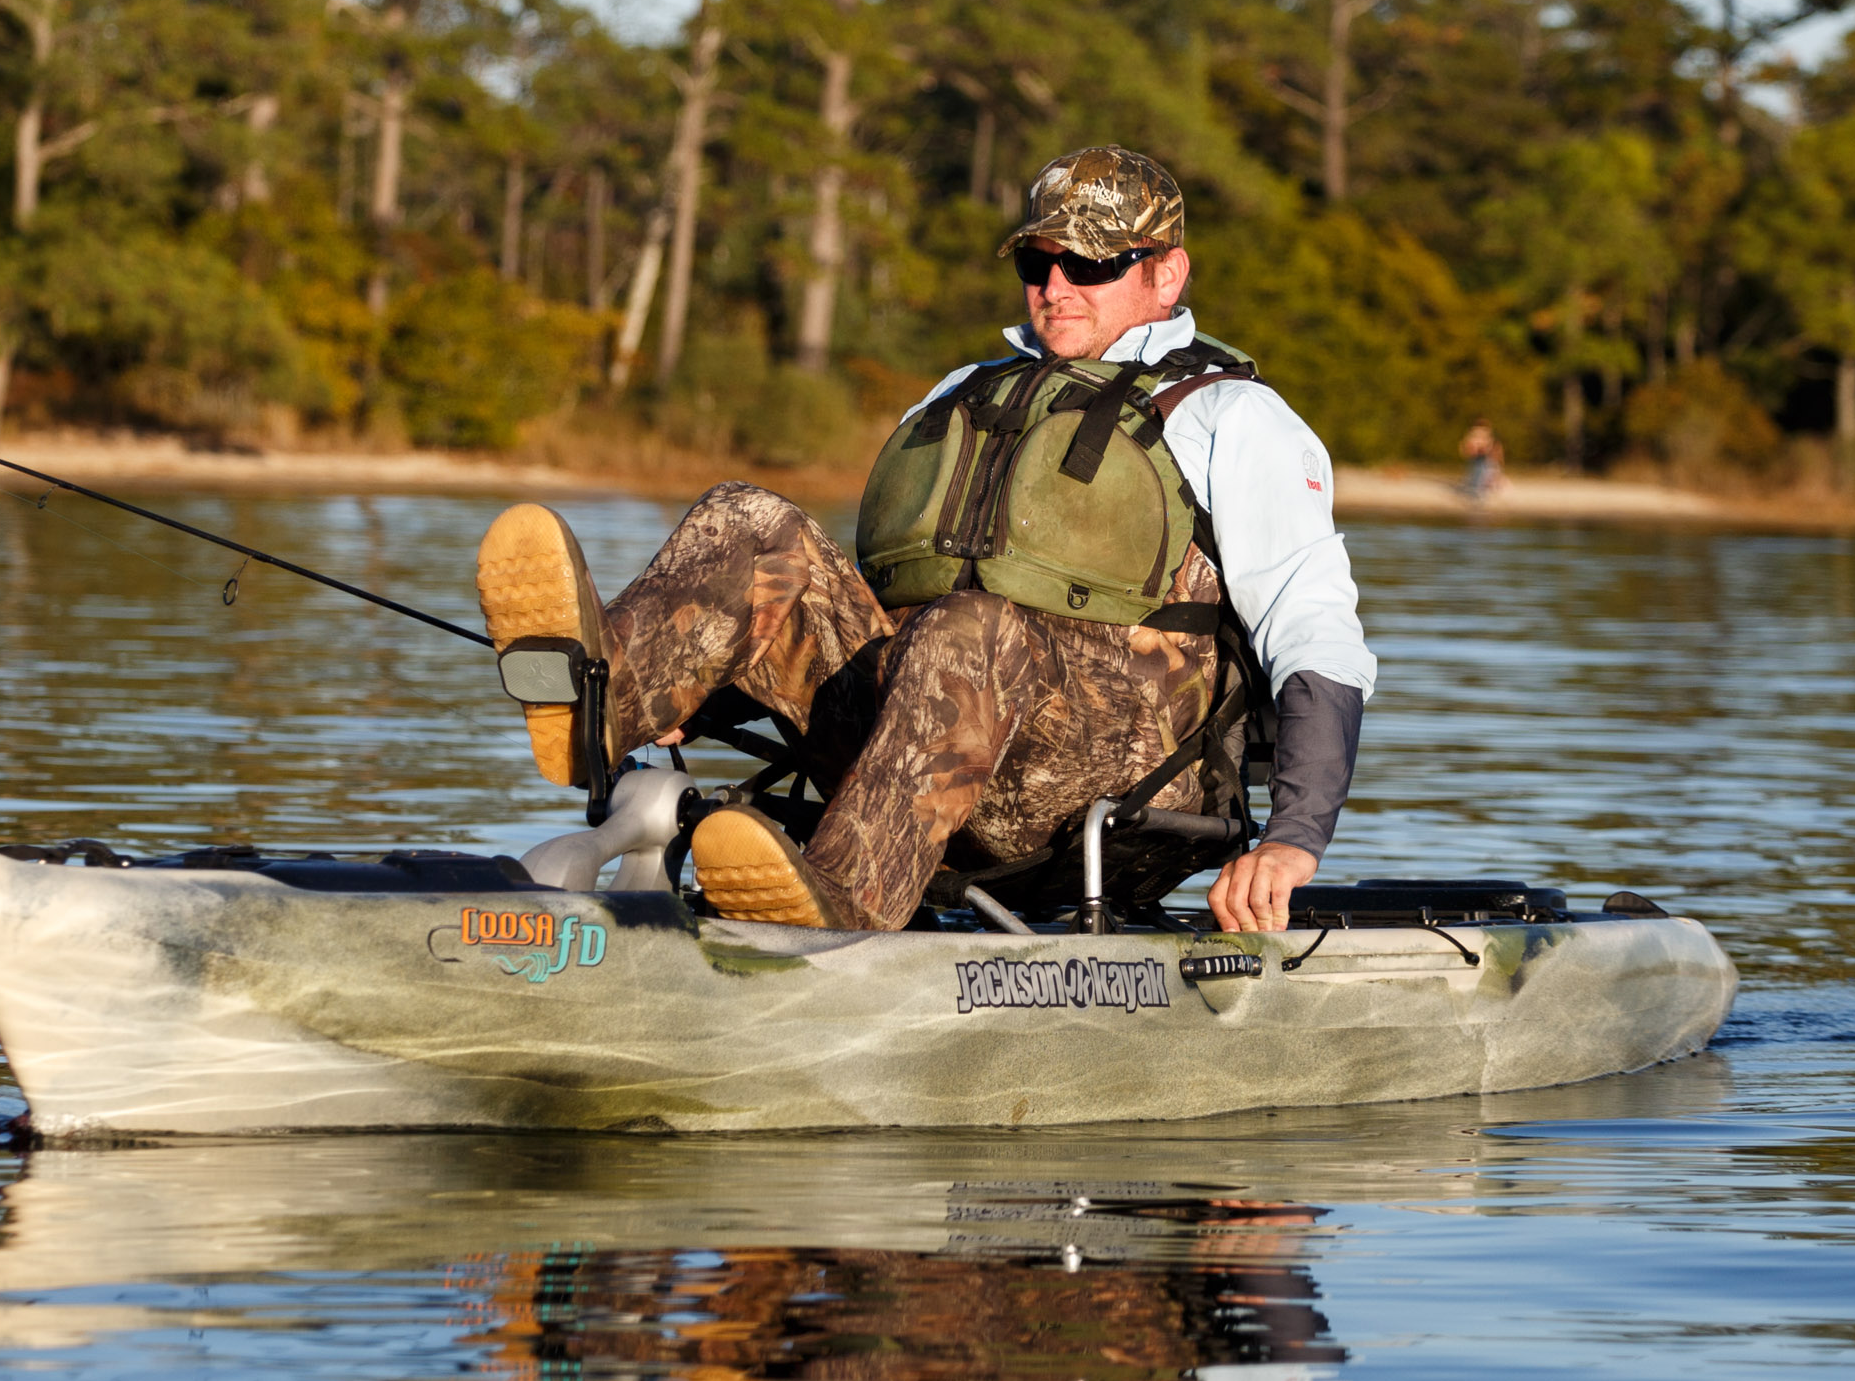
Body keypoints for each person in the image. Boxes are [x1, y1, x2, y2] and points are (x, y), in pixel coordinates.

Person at [475, 145, 1372, 934]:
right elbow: (861, 617)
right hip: (912, 739)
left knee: (968, 627)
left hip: (1104, 788)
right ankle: (605, 702)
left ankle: (839, 906)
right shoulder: (962, 391)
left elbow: (1315, 630)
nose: (1056, 285)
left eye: (1091, 264)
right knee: (750, 520)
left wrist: (1293, 838)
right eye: (1039, 259)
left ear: (1166, 275)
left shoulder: (1233, 417)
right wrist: (704, 687)